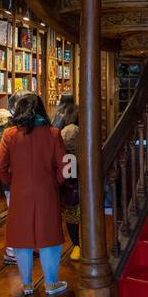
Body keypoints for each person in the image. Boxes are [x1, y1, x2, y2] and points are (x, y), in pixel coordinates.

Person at [0, 92, 68, 297]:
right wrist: (55, 182)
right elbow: (65, 166)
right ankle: (51, 283)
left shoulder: (9, 134)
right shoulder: (53, 133)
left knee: (21, 237)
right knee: (49, 236)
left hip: (20, 192)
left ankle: (26, 284)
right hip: (47, 192)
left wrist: (13, 181)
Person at [0, 92, 23, 266]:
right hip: (14, 176)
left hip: (12, 176)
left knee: (17, 214)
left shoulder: (3, 121)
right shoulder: (10, 125)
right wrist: (8, 179)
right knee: (16, 215)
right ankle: (13, 251)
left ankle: (20, 248)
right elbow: (4, 160)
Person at [57, 99, 81, 262]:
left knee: (72, 214)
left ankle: (76, 246)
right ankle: (79, 246)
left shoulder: (64, 131)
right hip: (78, 176)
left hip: (70, 176)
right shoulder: (76, 130)